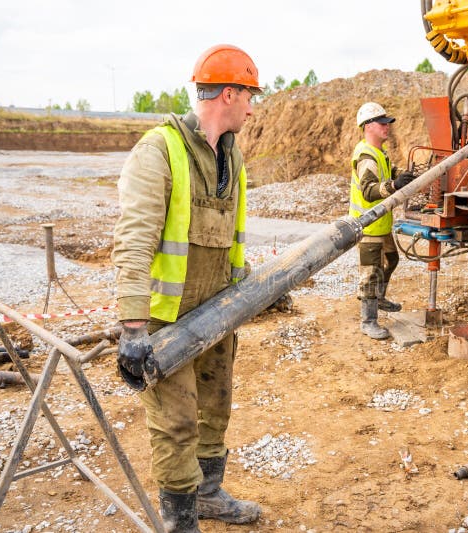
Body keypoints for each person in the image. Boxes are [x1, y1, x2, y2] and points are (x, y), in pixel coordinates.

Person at [112, 44, 261, 532]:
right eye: (248, 96)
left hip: (217, 310)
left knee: (215, 409)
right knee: (175, 423)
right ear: (226, 93)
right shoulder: (159, 151)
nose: (252, 107)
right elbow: (134, 240)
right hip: (166, 318)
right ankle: (180, 521)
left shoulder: (232, 157)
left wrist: (241, 291)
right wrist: (134, 326)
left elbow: (233, 236)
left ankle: (210, 494)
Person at [349, 102, 416, 339]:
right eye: (382, 123)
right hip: (368, 226)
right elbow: (369, 191)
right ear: (368, 126)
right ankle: (368, 321)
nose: (387, 127)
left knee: (391, 259)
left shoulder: (379, 153)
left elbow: (385, 174)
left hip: (381, 224)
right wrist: (394, 186)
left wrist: (400, 176)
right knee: (370, 272)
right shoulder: (366, 155)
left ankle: (379, 298)